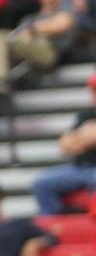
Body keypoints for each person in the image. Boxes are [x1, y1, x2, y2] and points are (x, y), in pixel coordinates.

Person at [30, 74, 96, 215]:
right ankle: (52, 226)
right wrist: (85, 139)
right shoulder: (86, 115)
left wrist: (82, 138)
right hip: (81, 168)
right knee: (42, 183)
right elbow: (65, 146)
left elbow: (85, 138)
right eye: (93, 91)